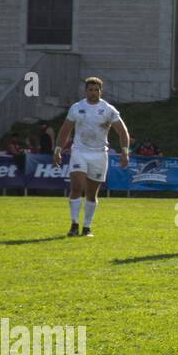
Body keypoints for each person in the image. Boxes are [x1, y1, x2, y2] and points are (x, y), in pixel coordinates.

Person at [53, 77, 130, 238]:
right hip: (79, 151)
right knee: (77, 186)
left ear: (100, 91)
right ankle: (74, 224)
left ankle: (87, 227)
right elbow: (66, 129)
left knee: (91, 192)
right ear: (85, 91)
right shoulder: (77, 107)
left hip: (99, 154)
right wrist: (58, 149)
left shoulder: (108, 109)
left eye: (96, 90)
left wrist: (125, 152)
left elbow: (122, 132)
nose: (93, 93)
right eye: (90, 90)